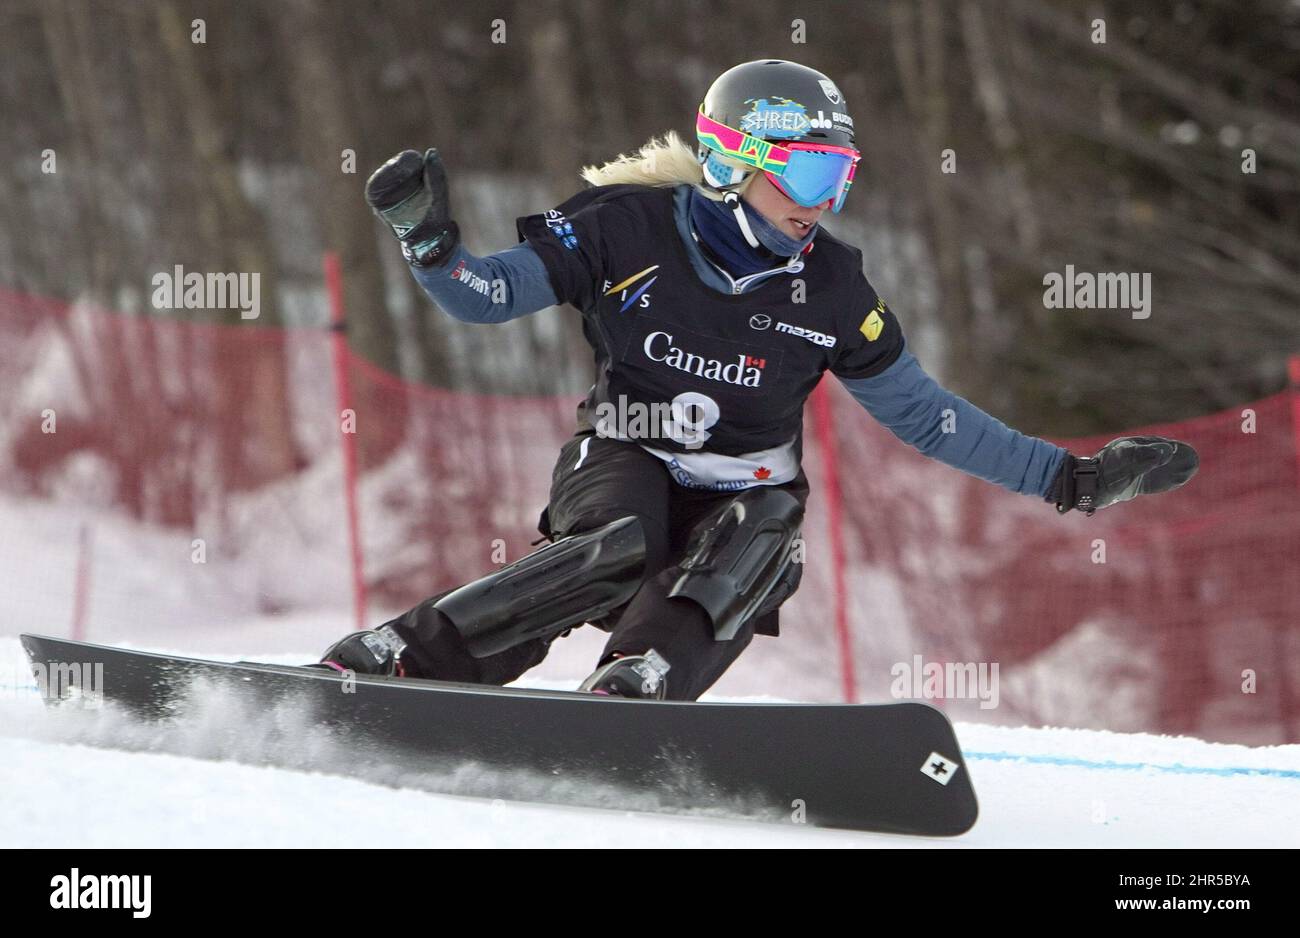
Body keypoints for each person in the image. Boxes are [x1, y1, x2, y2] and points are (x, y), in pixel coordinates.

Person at [315, 59, 1198, 701]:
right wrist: (429, 244)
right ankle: (402, 655)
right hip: (625, 450)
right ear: (738, 160)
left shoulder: (835, 288)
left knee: (759, 548)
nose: (821, 200)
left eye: (839, 178)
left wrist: (1071, 479)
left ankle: (640, 684)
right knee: (618, 543)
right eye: (811, 170)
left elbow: (927, 418)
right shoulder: (628, 227)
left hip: (750, 483)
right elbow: (489, 296)